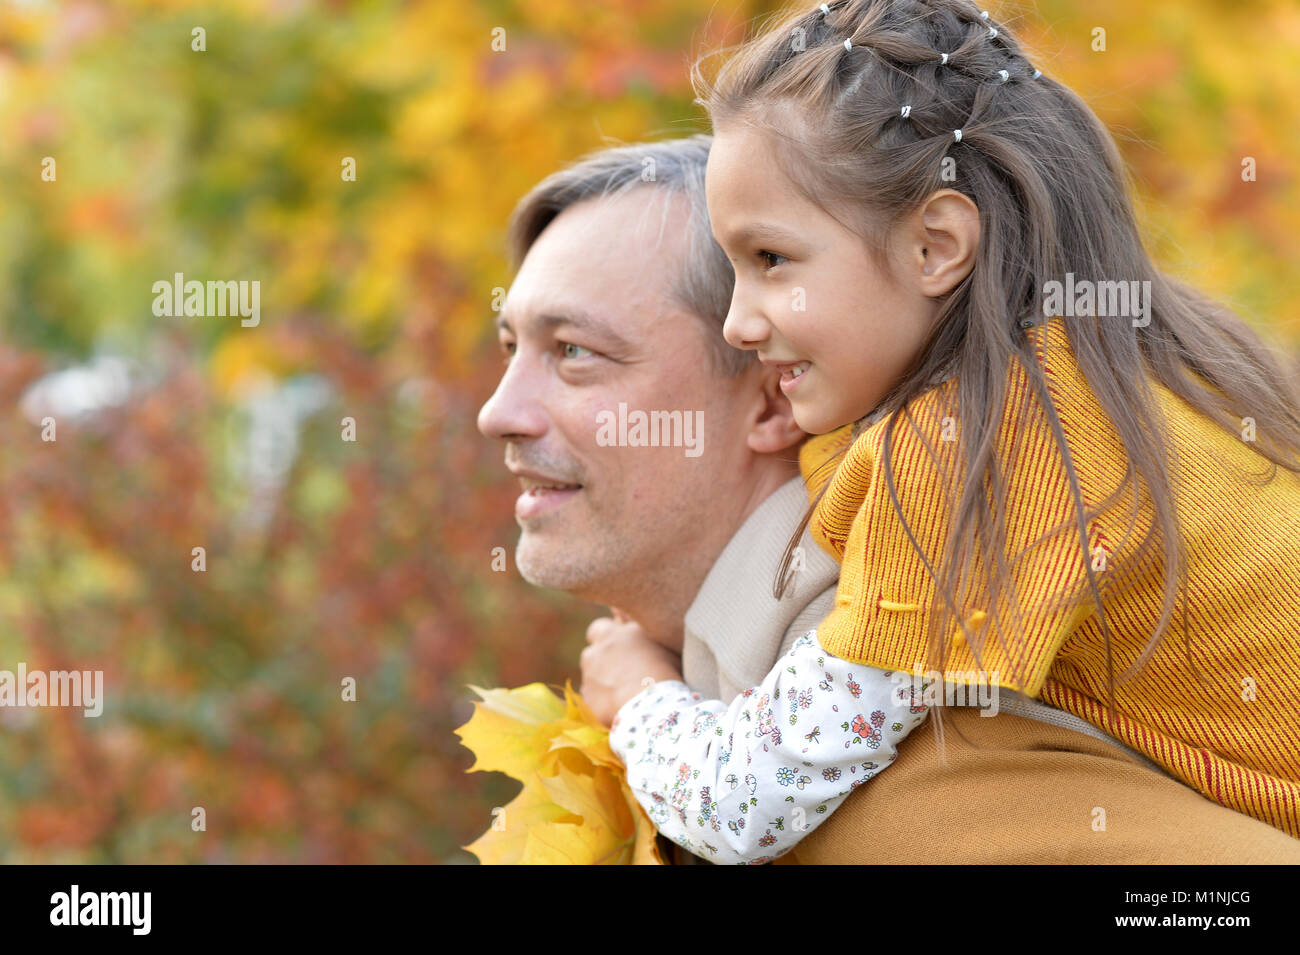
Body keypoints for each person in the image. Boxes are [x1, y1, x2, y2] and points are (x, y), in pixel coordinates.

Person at [583, 0, 1300, 862]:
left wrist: (639, 697)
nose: (738, 321)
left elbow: (754, 800)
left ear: (936, 246)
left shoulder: (973, 445)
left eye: (771, 259)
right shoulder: (1138, 363)